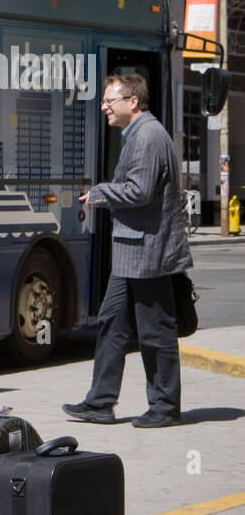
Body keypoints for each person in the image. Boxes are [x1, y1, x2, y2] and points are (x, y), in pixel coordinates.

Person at [65, 72, 192, 428]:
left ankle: (165, 407)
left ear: (132, 102)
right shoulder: (137, 134)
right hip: (131, 251)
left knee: (156, 332)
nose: (104, 106)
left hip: (147, 252)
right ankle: (100, 403)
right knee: (111, 324)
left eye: (110, 100)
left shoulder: (148, 136)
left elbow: (140, 190)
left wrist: (101, 193)